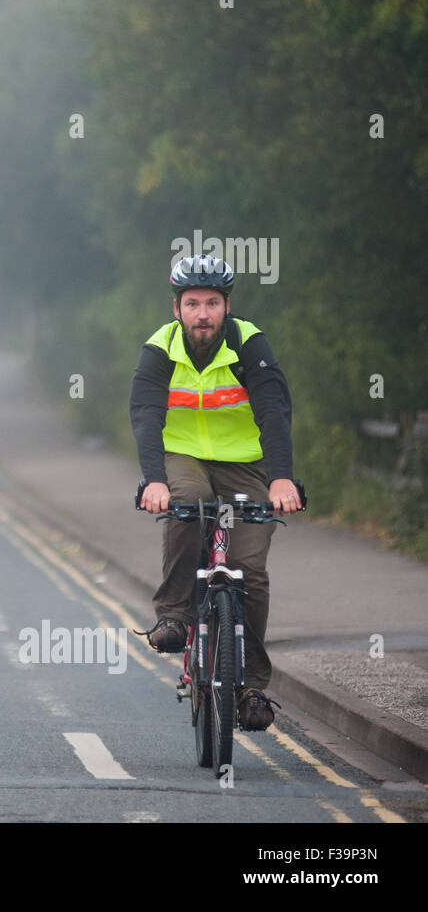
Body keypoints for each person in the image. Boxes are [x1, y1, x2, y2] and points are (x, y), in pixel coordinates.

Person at [129, 254, 302, 731]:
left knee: (251, 570)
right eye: (192, 304)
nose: (202, 313)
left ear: (226, 307)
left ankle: (251, 688)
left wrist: (281, 478)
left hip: (246, 462)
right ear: (176, 308)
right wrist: (154, 480)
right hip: (183, 456)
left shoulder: (250, 343)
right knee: (186, 509)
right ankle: (175, 617)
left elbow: (273, 411)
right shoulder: (159, 349)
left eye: (211, 303)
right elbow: (146, 415)